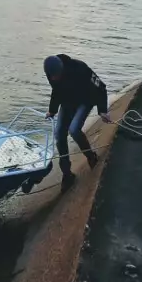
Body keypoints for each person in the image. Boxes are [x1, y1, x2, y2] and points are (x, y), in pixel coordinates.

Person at [43, 54, 111, 192]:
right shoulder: (51, 73)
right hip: (67, 102)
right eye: (51, 76)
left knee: (74, 130)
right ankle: (67, 174)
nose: (54, 78)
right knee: (59, 134)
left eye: (56, 75)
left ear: (62, 70)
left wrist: (102, 110)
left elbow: (101, 87)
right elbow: (56, 91)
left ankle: (91, 157)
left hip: (84, 101)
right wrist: (52, 110)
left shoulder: (80, 68)